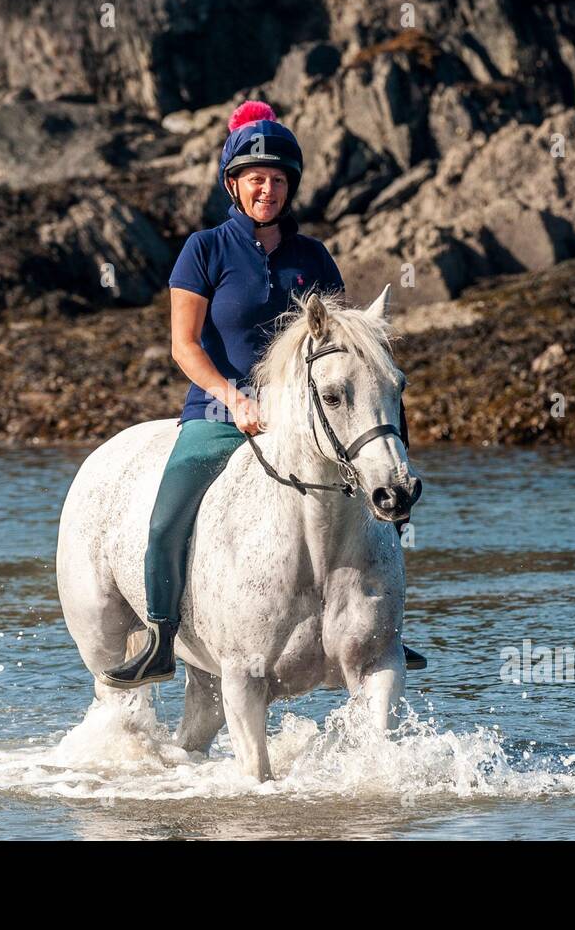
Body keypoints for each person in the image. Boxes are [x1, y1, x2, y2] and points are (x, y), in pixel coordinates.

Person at [101, 101, 426, 688]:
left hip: (308, 416)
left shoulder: (313, 257)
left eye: (278, 180)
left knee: (379, 473)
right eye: (256, 180)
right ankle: (161, 633)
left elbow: (341, 348)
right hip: (221, 410)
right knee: (166, 514)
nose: (267, 190)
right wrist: (231, 396)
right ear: (233, 184)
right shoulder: (203, 250)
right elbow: (184, 346)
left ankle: (382, 622)